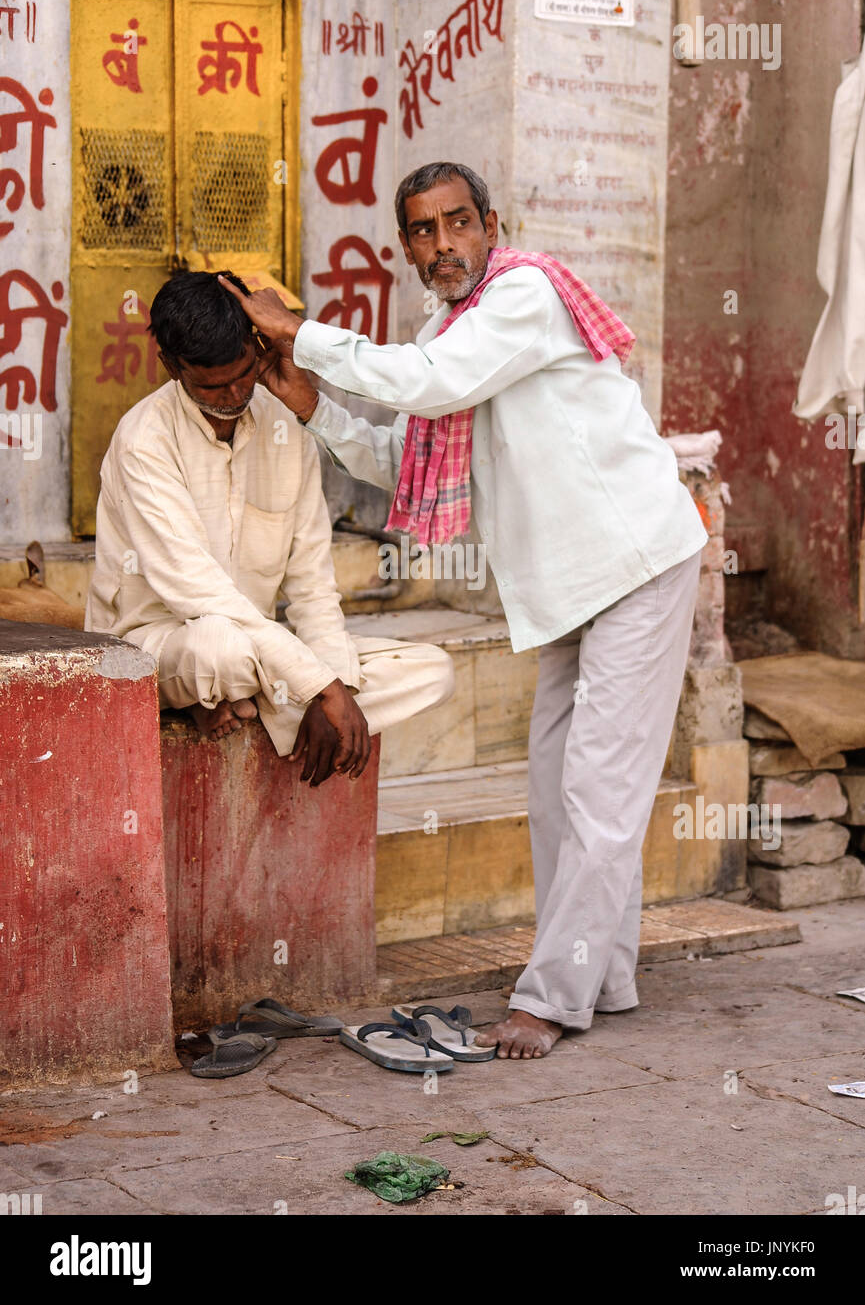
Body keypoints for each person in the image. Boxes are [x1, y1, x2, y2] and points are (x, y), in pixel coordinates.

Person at [219, 162, 709, 1056]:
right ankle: (604, 973)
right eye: (422, 231)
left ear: (491, 222)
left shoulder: (522, 297)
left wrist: (301, 332)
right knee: (560, 787)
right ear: (404, 246)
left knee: (598, 791)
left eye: (456, 224)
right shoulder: (445, 328)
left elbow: (430, 382)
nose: (442, 245)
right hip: (571, 589)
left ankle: (551, 997)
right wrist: (311, 405)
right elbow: (397, 455)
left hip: (637, 561)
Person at [85, 270, 454, 787]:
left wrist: (335, 681)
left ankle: (252, 708)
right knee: (222, 647)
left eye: (244, 373)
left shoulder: (285, 426)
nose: (235, 394)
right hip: (160, 646)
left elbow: (311, 585)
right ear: (171, 366)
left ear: (257, 347)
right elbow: (200, 594)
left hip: (261, 656)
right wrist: (319, 687)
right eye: (212, 385)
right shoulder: (143, 441)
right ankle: (256, 702)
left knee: (431, 668)